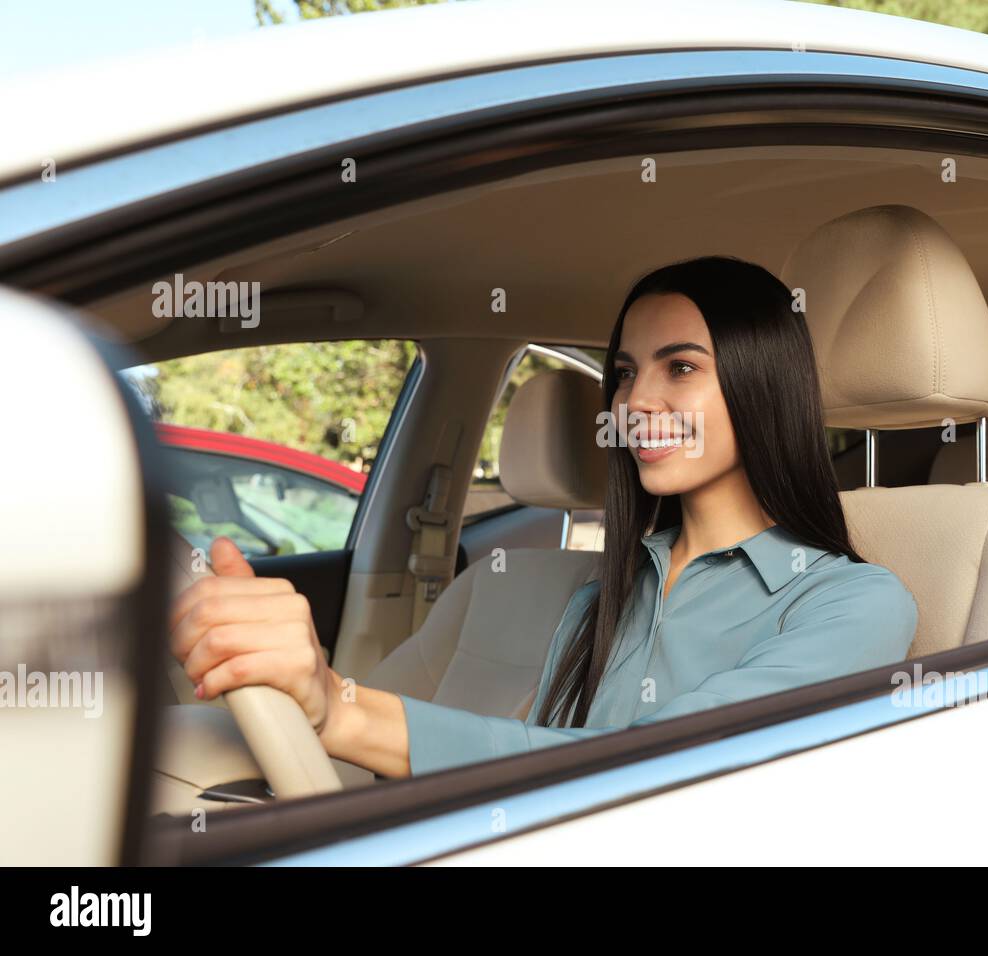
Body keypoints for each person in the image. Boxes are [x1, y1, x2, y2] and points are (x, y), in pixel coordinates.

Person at [169, 256, 918, 779]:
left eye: (680, 367)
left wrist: (341, 709)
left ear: (764, 385)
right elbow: (537, 763)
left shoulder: (855, 605)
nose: (634, 403)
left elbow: (650, 770)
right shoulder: (600, 596)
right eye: (624, 373)